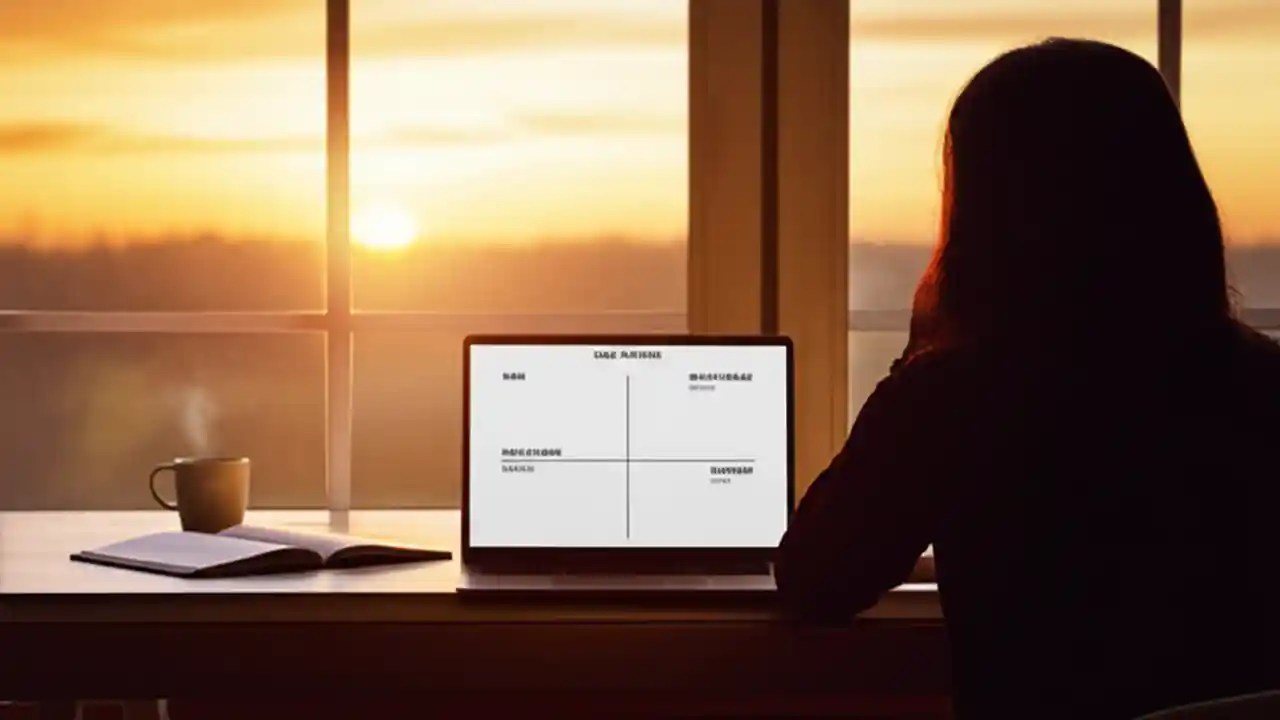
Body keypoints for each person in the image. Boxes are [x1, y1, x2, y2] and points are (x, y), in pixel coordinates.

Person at [776, 38, 1280, 719]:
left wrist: (922, 350)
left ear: (983, 213)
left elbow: (816, 579)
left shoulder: (955, 400)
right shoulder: (1262, 383)